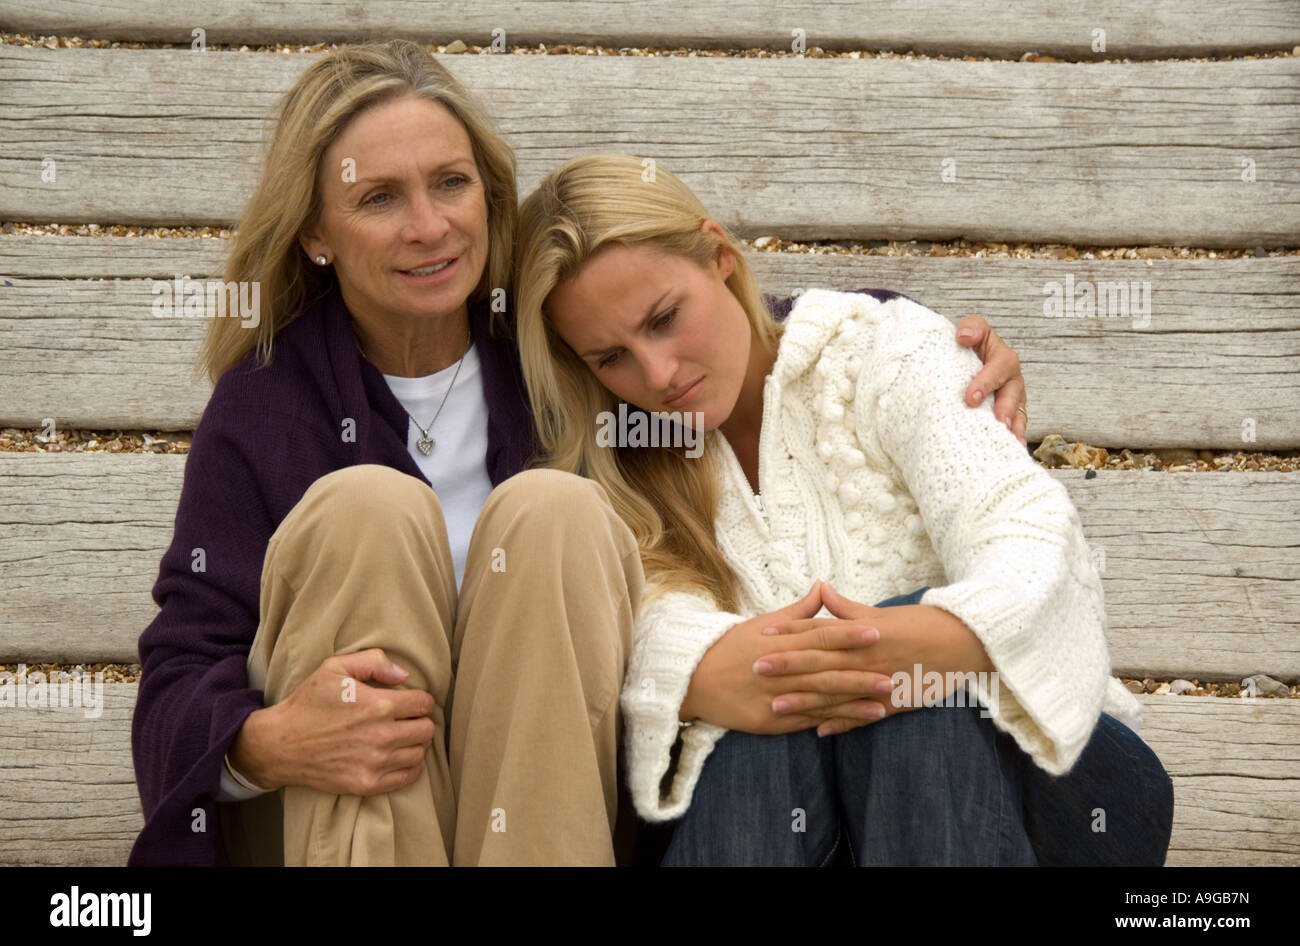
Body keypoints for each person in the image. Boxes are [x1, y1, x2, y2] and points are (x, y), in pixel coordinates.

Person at [129, 40, 1033, 867]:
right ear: (315, 235)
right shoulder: (266, 405)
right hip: (330, 816)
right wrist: (267, 741)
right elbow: (176, 676)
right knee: (366, 507)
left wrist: (925, 347)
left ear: (488, 193)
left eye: (450, 183)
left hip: (543, 808)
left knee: (551, 510)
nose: (429, 227)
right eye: (378, 198)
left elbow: (714, 330)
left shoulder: (556, 359)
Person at [512, 153, 1175, 865]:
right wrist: (724, 671)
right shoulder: (615, 473)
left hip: (1060, 797)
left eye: (666, 319)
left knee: (913, 699)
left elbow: (1024, 528)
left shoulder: (886, 351)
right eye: (611, 358)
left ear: (717, 256)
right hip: (803, 816)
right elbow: (643, 633)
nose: (658, 375)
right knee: (755, 728)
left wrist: (927, 639)